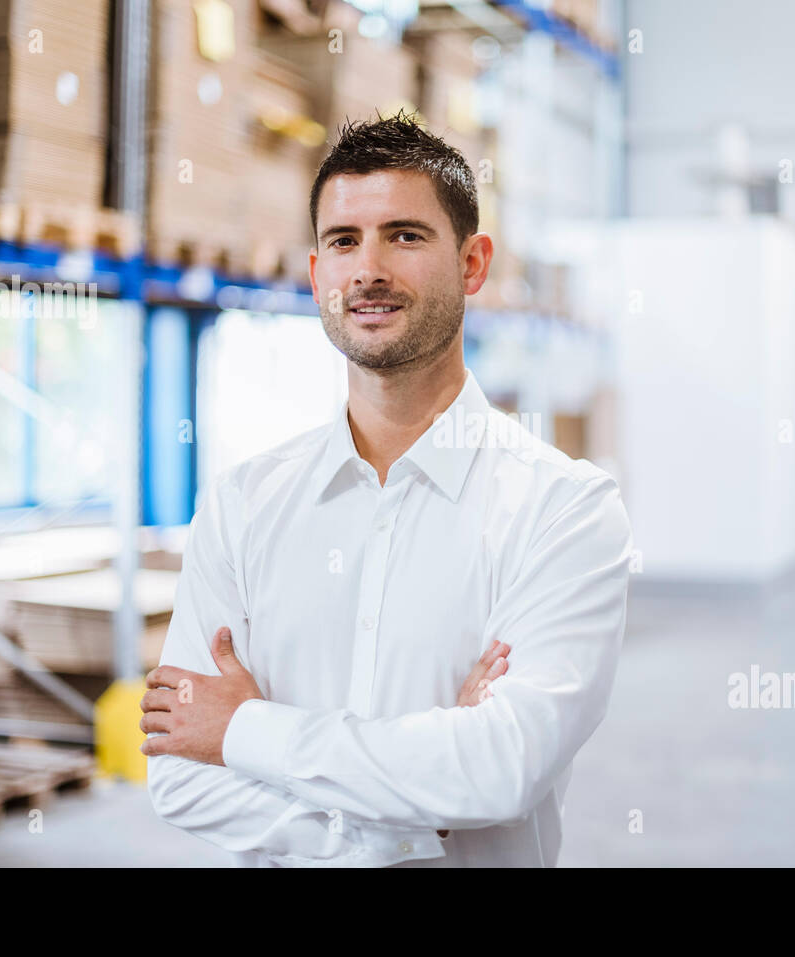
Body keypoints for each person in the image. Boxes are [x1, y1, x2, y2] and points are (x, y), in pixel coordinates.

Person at [140, 112, 633, 866]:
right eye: (343, 241)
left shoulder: (563, 511)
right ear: (316, 275)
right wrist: (418, 823)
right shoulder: (242, 504)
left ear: (472, 264)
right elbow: (179, 771)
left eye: (404, 235)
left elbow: (501, 768)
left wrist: (243, 729)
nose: (367, 269)